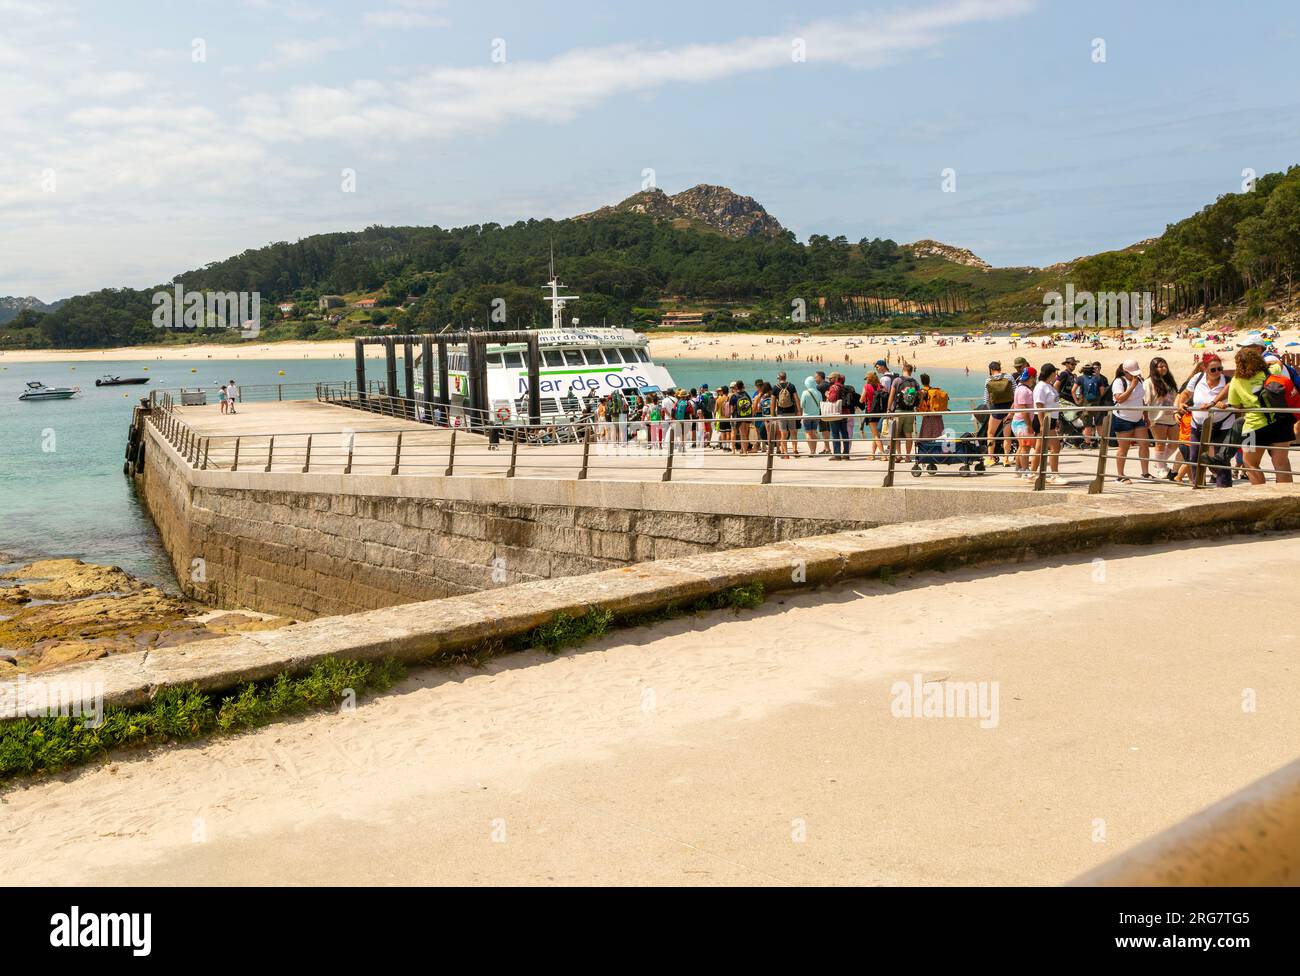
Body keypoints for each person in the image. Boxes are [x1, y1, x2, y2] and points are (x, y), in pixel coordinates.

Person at [1227, 344, 1295, 484]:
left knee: (1250, 463)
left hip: (1253, 426)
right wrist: (1266, 363)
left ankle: (1262, 496)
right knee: (1281, 464)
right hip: (1280, 423)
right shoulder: (1270, 371)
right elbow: (1279, 363)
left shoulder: (1236, 380)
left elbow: (1235, 405)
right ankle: (1287, 500)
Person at [1175, 355, 1233, 488]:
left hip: (1222, 424)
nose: (1218, 372)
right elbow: (1185, 393)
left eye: (1220, 369)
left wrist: (1222, 404)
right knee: (1195, 457)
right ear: (1204, 368)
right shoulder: (1197, 378)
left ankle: (1224, 489)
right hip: (1198, 424)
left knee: (1222, 458)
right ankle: (1198, 486)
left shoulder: (1228, 381)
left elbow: (1234, 399)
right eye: (1213, 370)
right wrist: (1181, 403)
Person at [1111, 360, 1150, 483]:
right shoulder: (1119, 382)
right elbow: (1120, 399)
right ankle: (1120, 475)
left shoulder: (1140, 381)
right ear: (1125, 371)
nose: (1135, 376)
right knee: (1124, 447)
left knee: (1144, 444)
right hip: (1123, 418)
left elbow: (1142, 400)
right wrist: (1131, 387)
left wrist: (1146, 416)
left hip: (1138, 418)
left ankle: (1145, 473)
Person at [1144, 357, 1180, 478]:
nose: (1163, 368)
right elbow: (1146, 401)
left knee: (1174, 443)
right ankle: (1160, 468)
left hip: (1171, 416)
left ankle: (1159, 463)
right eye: (1160, 366)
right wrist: (1146, 418)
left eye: (1165, 366)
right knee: (1160, 444)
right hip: (1157, 417)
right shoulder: (1149, 382)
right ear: (1154, 368)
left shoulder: (1169, 381)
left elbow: (1176, 396)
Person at [1033, 363, 1063, 484]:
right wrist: (1042, 424)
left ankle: (1033, 473)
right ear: (1051, 373)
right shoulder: (1041, 386)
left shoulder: (1049, 386)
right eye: (1055, 372)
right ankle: (1054, 474)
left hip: (1051, 419)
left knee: (1039, 448)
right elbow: (1039, 405)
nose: (1056, 375)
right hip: (1044, 419)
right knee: (1055, 447)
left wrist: (1057, 419)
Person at [888, 364, 923, 463]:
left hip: (898, 410)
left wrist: (888, 409)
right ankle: (907, 457)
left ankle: (899, 455)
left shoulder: (897, 380)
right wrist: (918, 406)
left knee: (896, 434)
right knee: (908, 434)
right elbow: (920, 395)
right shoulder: (915, 382)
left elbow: (891, 395)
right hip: (910, 411)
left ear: (903, 369)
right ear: (911, 371)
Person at [983, 361, 1015, 464]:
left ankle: (991, 458)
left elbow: (986, 399)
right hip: (1008, 408)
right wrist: (1012, 408)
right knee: (1007, 435)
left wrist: (990, 409)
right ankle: (1006, 459)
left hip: (996, 409)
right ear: (1000, 368)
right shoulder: (1009, 377)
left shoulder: (988, 380)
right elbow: (1015, 393)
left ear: (991, 370)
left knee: (991, 433)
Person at [1010, 368, 1036, 478]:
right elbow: (1024, 410)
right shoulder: (1024, 391)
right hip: (1022, 423)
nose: (1035, 379)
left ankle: (1018, 469)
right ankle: (1025, 470)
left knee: (1021, 447)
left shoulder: (1020, 388)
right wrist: (1029, 426)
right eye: (1035, 377)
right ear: (1031, 377)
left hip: (1018, 422)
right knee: (1026, 447)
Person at [1073, 363, 1104, 447]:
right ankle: (1103, 442)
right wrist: (1099, 399)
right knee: (1099, 424)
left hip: (1086, 404)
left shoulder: (1080, 379)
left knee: (1087, 425)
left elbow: (1073, 390)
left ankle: (1087, 442)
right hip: (1097, 404)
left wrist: (1077, 401)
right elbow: (1102, 392)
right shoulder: (1098, 378)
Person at [772, 371, 799, 460]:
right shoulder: (791, 386)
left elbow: (772, 402)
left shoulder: (775, 388)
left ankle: (786, 453)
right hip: (791, 412)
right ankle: (795, 451)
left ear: (779, 378)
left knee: (783, 433)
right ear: (786, 377)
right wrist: (799, 411)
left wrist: (772, 414)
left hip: (781, 413)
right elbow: (796, 398)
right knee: (793, 432)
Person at [859, 371, 885, 460]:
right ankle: (873, 454)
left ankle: (883, 454)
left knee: (875, 435)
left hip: (871, 412)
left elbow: (861, 400)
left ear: (869, 379)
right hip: (880, 412)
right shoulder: (880, 387)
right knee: (876, 434)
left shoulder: (866, 387)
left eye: (866, 379)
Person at [729, 381, 755, 454]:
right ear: (743, 386)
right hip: (747, 415)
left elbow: (731, 410)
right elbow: (750, 404)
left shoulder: (734, 396)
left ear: (736, 387)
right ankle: (744, 449)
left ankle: (742, 451)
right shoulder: (746, 394)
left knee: (741, 433)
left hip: (738, 417)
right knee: (745, 433)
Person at [799, 376, 822, 457]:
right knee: (814, 432)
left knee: (808, 433)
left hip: (806, 416)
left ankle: (811, 451)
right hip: (816, 416)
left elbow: (802, 405)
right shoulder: (818, 393)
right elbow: (820, 404)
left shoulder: (805, 393)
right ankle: (814, 450)